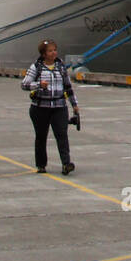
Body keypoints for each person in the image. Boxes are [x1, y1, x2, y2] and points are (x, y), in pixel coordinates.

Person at [21, 39, 80, 175]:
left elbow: (68, 86)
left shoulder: (61, 66)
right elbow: (24, 84)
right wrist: (38, 85)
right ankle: (41, 165)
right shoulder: (36, 67)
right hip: (40, 107)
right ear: (43, 54)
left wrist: (74, 105)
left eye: (55, 50)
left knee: (62, 135)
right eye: (50, 51)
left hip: (59, 106)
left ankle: (66, 163)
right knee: (41, 136)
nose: (53, 53)